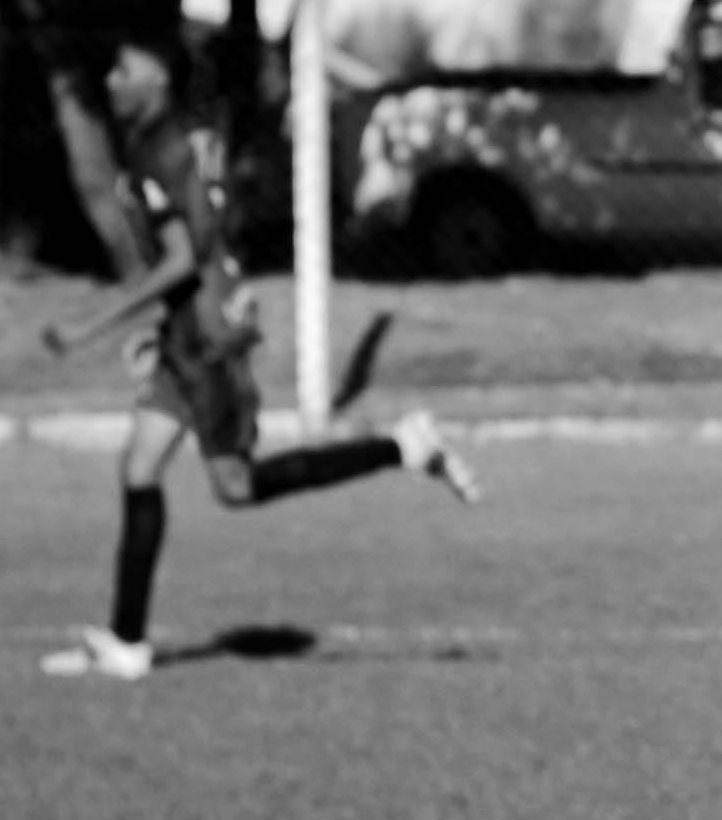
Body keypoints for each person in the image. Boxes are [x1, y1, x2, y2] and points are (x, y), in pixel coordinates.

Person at [41, 38, 476, 679]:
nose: (111, 81)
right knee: (140, 468)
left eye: (124, 67)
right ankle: (126, 642)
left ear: (158, 76)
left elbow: (181, 259)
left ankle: (402, 446)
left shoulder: (159, 150)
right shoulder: (184, 137)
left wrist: (90, 326)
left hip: (209, 341)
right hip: (191, 333)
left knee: (235, 488)